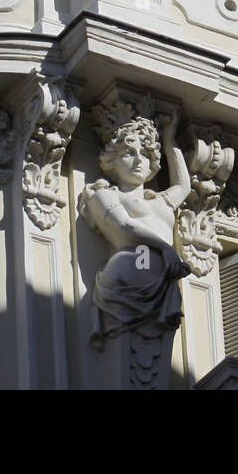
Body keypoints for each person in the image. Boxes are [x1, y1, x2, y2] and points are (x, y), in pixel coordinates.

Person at [78, 108, 191, 349]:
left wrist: (170, 139)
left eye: (145, 154)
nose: (139, 160)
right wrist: (166, 249)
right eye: (128, 154)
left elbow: (183, 186)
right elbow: (125, 224)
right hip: (128, 277)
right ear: (111, 162)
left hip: (163, 281)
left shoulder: (159, 200)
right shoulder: (104, 194)